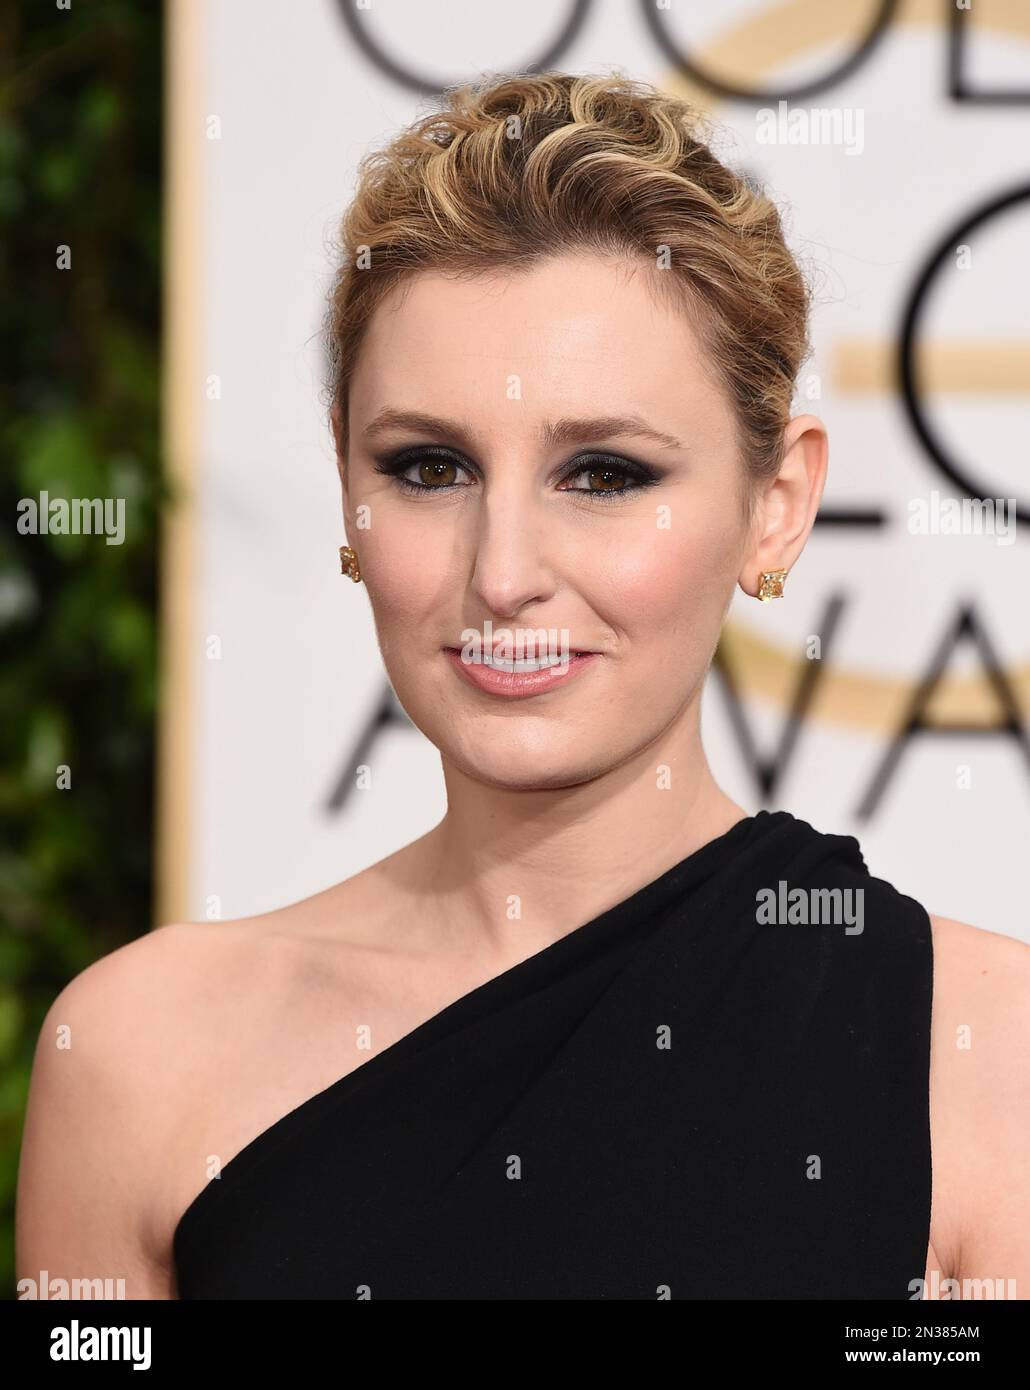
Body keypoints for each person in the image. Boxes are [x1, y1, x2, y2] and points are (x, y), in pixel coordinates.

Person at [16, 71, 1030, 1301]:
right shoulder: (135, 1056)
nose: (501, 574)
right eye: (428, 465)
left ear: (778, 505)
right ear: (346, 479)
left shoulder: (987, 1061)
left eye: (602, 473)